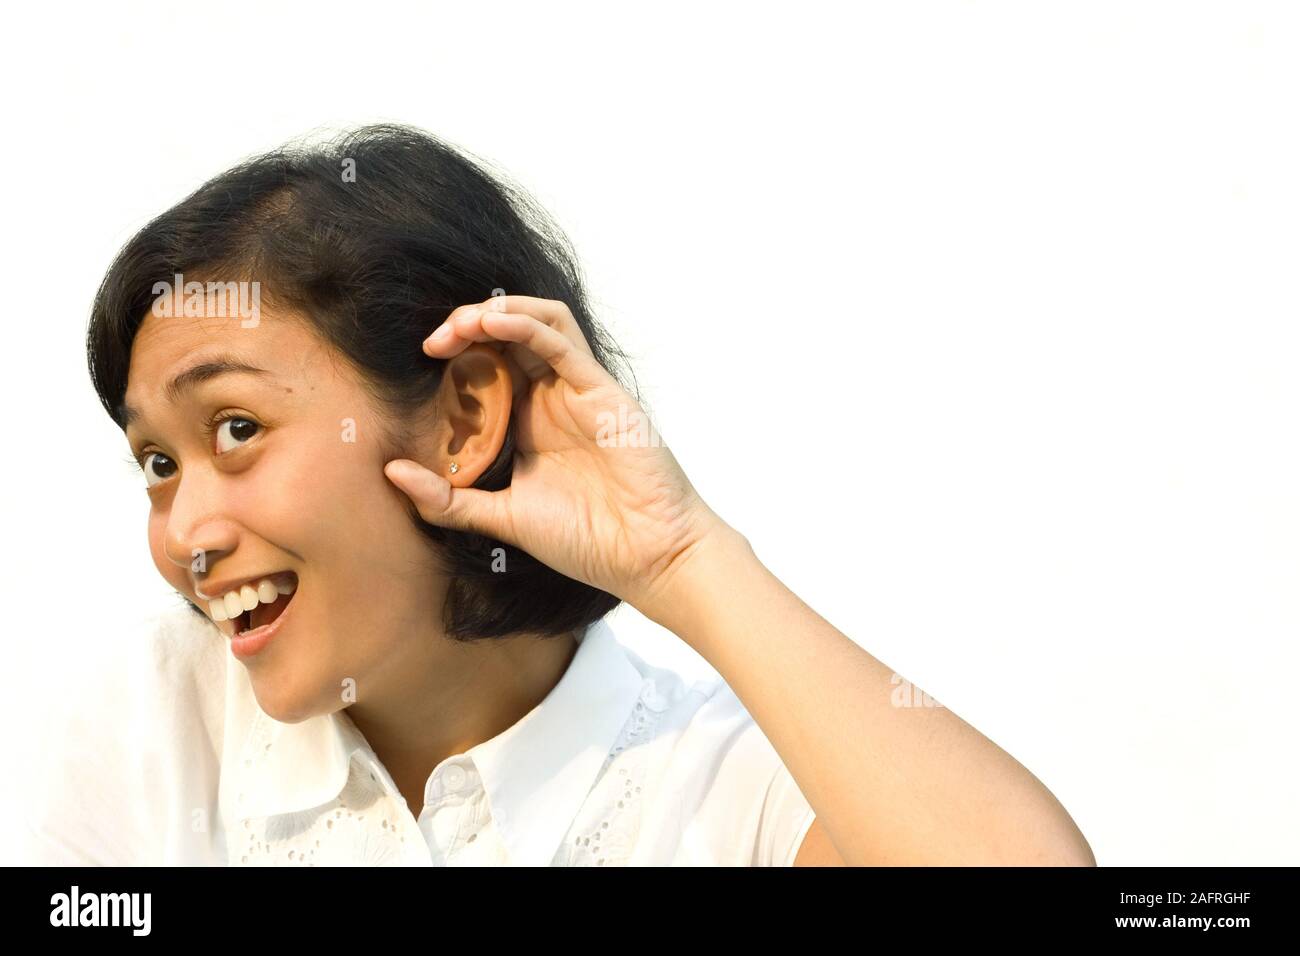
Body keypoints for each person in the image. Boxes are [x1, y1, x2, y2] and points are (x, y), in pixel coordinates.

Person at [25, 124, 1095, 866]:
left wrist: (685, 558)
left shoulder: (725, 790)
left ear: (463, 417)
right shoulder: (152, 729)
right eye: (158, 463)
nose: (186, 534)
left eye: (237, 429)